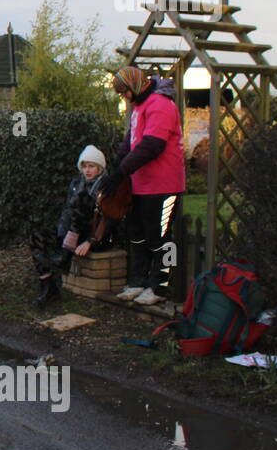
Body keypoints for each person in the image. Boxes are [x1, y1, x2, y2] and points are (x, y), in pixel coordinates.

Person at [101, 66, 185, 306]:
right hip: (141, 184)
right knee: (137, 235)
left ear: (134, 87)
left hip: (164, 184)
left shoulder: (161, 105)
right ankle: (138, 282)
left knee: (160, 237)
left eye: (124, 92)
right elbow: (130, 141)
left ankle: (159, 287)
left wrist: (122, 171)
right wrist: (117, 165)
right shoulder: (139, 108)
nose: (123, 97)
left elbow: (151, 145)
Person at [29, 145, 113, 307]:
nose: (87, 170)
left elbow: (108, 220)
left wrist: (91, 241)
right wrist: (61, 233)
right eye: (84, 166)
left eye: (92, 166)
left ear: (100, 168)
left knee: (82, 201)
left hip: (94, 237)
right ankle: (48, 286)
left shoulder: (106, 188)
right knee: (37, 235)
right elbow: (68, 211)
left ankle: (65, 257)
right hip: (71, 235)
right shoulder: (77, 183)